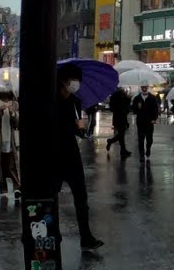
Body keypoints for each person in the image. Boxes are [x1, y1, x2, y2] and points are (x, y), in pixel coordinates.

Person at [55, 65, 104, 251]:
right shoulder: (51, 100)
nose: (75, 84)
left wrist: (80, 128)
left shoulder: (75, 102)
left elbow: (78, 132)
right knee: (53, 196)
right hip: (54, 154)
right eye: (72, 80)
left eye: (77, 80)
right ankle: (54, 233)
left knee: (81, 197)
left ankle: (86, 237)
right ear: (63, 80)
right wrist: (70, 125)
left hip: (71, 154)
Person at [0, 93, 22, 196]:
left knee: (13, 164)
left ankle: (17, 187)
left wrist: (12, 113)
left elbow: (17, 123)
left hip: (11, 140)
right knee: (1, 165)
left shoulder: (15, 104)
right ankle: (3, 189)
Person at [132, 84, 160, 158]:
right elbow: (133, 110)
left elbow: (155, 109)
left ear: (147, 88)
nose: (144, 88)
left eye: (145, 87)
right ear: (141, 88)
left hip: (149, 122)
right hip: (140, 121)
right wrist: (137, 107)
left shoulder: (152, 98)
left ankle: (148, 148)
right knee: (141, 139)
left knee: (149, 138)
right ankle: (141, 154)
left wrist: (154, 119)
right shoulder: (137, 98)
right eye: (142, 87)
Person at [105, 87, 132, 157]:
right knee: (121, 135)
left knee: (121, 135)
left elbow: (127, 107)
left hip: (120, 118)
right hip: (119, 118)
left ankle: (122, 150)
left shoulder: (122, 95)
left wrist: (128, 98)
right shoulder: (117, 96)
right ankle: (121, 150)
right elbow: (113, 108)